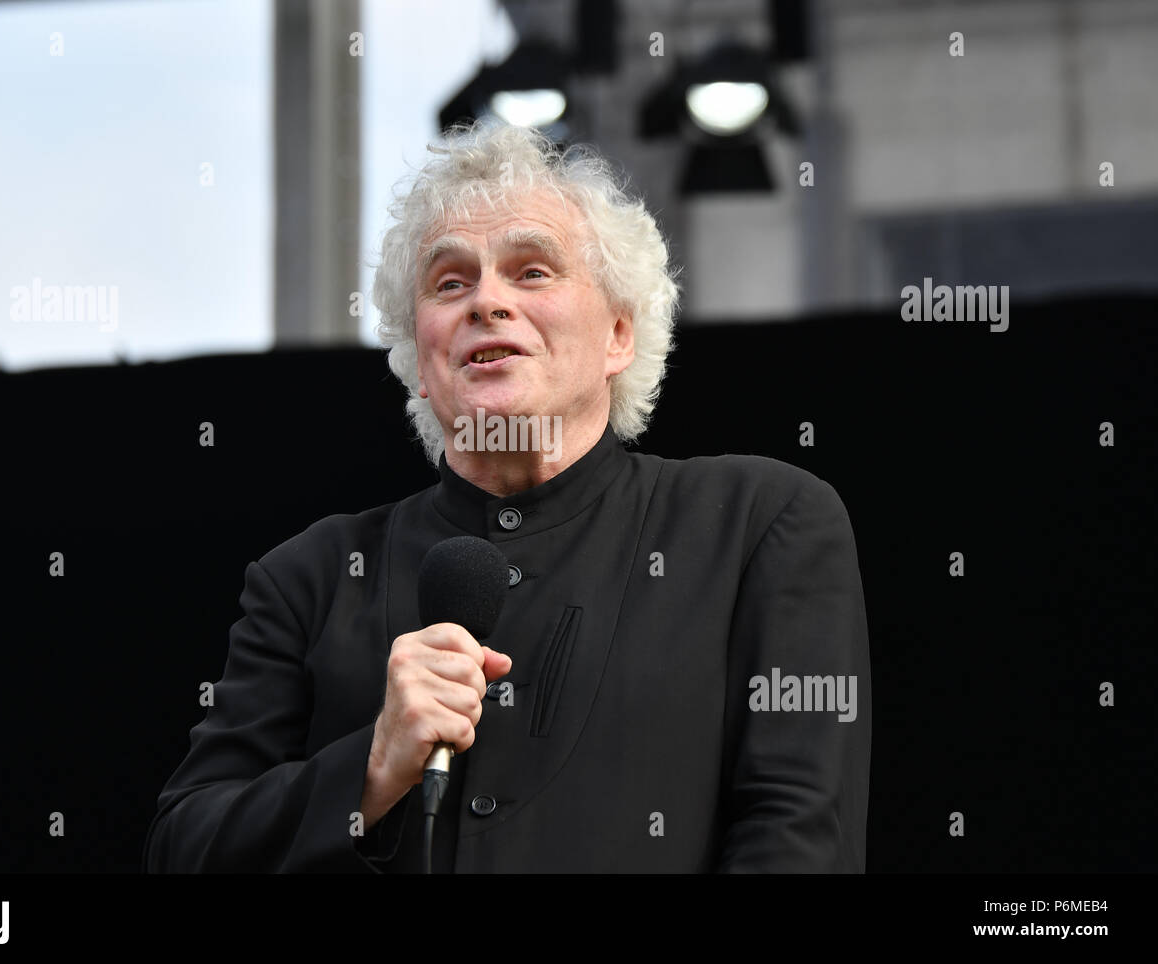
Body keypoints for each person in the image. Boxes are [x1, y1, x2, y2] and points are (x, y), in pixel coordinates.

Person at [143, 119, 871, 873]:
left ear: (620, 333)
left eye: (531, 272)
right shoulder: (310, 578)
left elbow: (798, 835)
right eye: (450, 281)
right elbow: (181, 849)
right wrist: (372, 766)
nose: (486, 301)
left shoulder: (757, 526)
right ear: (421, 361)